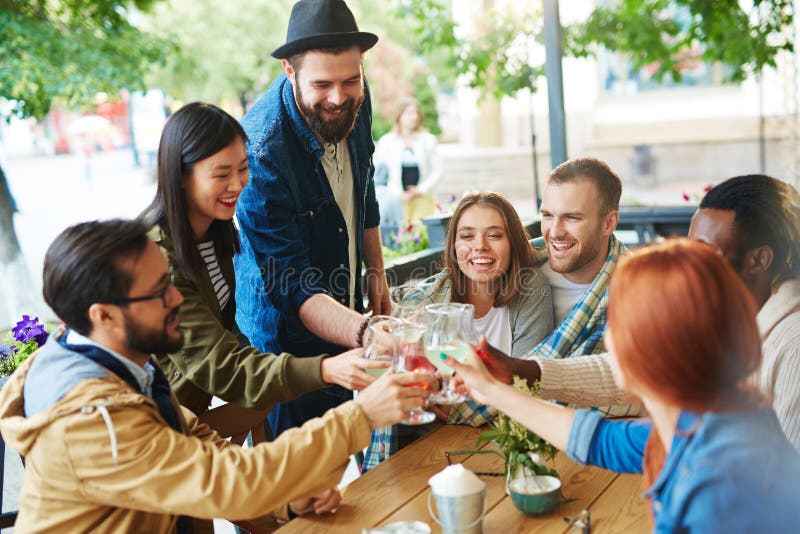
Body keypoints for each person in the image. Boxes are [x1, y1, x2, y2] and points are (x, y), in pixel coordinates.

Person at [0, 219, 431, 532]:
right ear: (103, 315)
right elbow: (229, 483)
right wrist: (362, 417)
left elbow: (200, 448)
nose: (177, 300)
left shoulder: (119, 364)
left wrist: (286, 501)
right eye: (159, 292)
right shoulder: (95, 419)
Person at [448, 239, 800, 532]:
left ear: (654, 347)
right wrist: (494, 390)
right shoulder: (703, 421)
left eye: (616, 323)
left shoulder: (718, 485)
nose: (608, 339)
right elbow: (598, 439)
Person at [140, 102, 386, 441]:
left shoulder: (215, 233)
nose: (238, 184)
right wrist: (326, 369)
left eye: (243, 169)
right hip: (149, 437)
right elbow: (220, 364)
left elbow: (226, 337)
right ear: (181, 176)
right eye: (221, 174)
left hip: (184, 426)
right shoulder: (156, 258)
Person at [501, 175, 800, 450]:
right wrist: (522, 371)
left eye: (704, 251)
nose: (689, 263)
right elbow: (630, 374)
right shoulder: (723, 314)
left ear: (759, 260)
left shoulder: (792, 346)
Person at [235, 0, 390, 437]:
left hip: (346, 315)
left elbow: (366, 183)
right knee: (296, 479)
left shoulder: (356, 96)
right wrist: (366, 332)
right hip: (284, 348)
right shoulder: (260, 150)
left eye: (350, 81)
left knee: (345, 457)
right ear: (289, 70)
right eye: (322, 85)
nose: (338, 98)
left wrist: (375, 272)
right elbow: (292, 284)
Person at [361, 191, 554, 471]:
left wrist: (452, 406)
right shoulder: (430, 301)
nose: (480, 247)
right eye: (466, 236)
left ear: (513, 243)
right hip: (428, 450)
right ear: (453, 246)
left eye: (495, 235)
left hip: (501, 445)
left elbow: (527, 384)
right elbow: (387, 371)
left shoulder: (531, 287)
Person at [451, 157, 633, 427]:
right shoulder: (515, 265)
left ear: (608, 223)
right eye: (547, 215)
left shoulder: (638, 291)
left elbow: (632, 388)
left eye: (572, 217)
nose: (555, 232)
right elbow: (437, 293)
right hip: (474, 438)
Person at [374, 98, 441, 223]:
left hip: (423, 199)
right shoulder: (387, 142)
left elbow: (437, 171)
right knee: (401, 237)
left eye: (416, 113)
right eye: (409, 113)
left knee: (423, 237)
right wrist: (399, 193)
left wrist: (420, 190)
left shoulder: (428, 140)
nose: (414, 117)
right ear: (399, 116)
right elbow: (381, 175)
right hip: (397, 200)